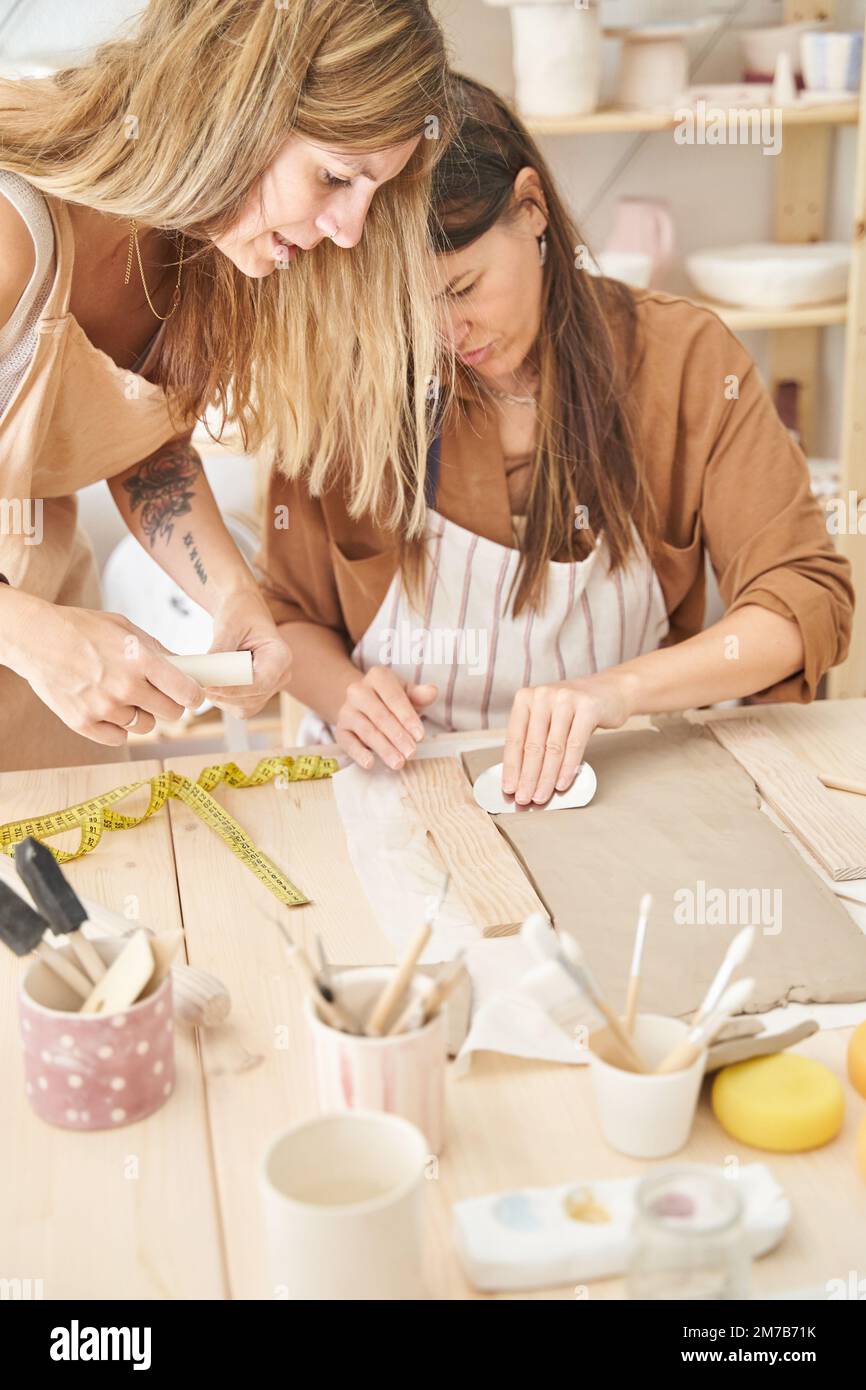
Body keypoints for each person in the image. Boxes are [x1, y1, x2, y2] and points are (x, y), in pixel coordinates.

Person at [259, 75, 853, 805]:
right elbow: (287, 616)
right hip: (407, 782)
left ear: (531, 208)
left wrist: (617, 692)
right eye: (408, 311)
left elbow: (804, 600)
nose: (444, 339)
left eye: (460, 290)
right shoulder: (345, 387)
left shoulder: (683, 360)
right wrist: (347, 696)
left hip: (630, 763)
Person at [0, 0, 450, 771]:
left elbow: (143, 442)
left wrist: (235, 598)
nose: (348, 229)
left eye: (371, 194)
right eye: (336, 177)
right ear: (235, 112)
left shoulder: (190, 258)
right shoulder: (13, 235)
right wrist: (36, 636)